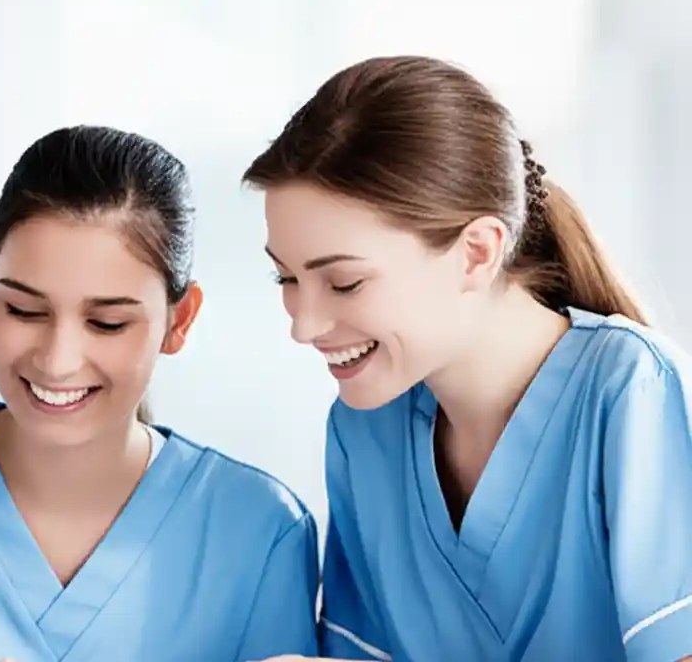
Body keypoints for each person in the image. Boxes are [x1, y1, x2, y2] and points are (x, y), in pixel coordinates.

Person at [0, 126, 320, 662]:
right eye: (23, 311)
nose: (57, 359)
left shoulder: (259, 529)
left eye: (107, 322)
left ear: (177, 321)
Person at [245, 56, 692, 661]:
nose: (304, 325)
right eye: (286, 279)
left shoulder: (632, 393)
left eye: (344, 283)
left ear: (477, 252)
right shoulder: (365, 429)